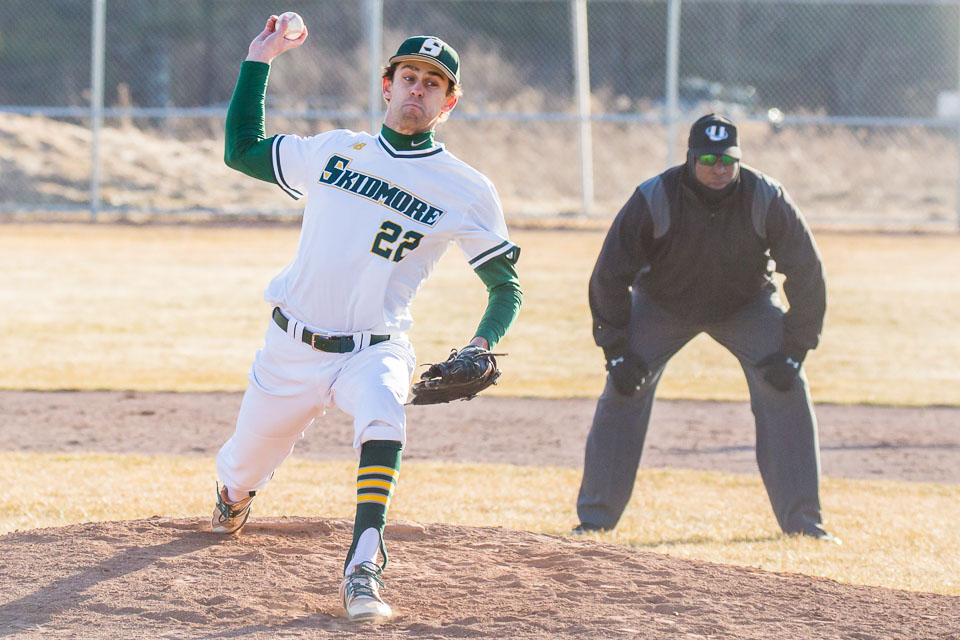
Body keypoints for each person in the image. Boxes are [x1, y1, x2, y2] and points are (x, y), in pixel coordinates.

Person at [211, 15, 522, 623]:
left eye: (433, 84)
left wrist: (484, 341)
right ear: (387, 85)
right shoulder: (334, 150)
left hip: (374, 346)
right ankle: (234, 495)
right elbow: (241, 151)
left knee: (385, 407)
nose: (418, 90)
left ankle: (364, 562)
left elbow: (503, 284)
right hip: (291, 348)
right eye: (409, 77)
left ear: (448, 102)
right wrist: (259, 60)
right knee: (241, 471)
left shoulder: (466, 188)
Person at [574, 113, 835, 543]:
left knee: (786, 387)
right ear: (691, 158)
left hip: (746, 305)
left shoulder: (765, 196)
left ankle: (805, 524)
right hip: (662, 304)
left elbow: (806, 271)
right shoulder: (655, 194)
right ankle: (595, 520)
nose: (719, 169)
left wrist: (796, 347)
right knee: (623, 388)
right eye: (709, 159)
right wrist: (616, 349)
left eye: (728, 160)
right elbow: (609, 274)